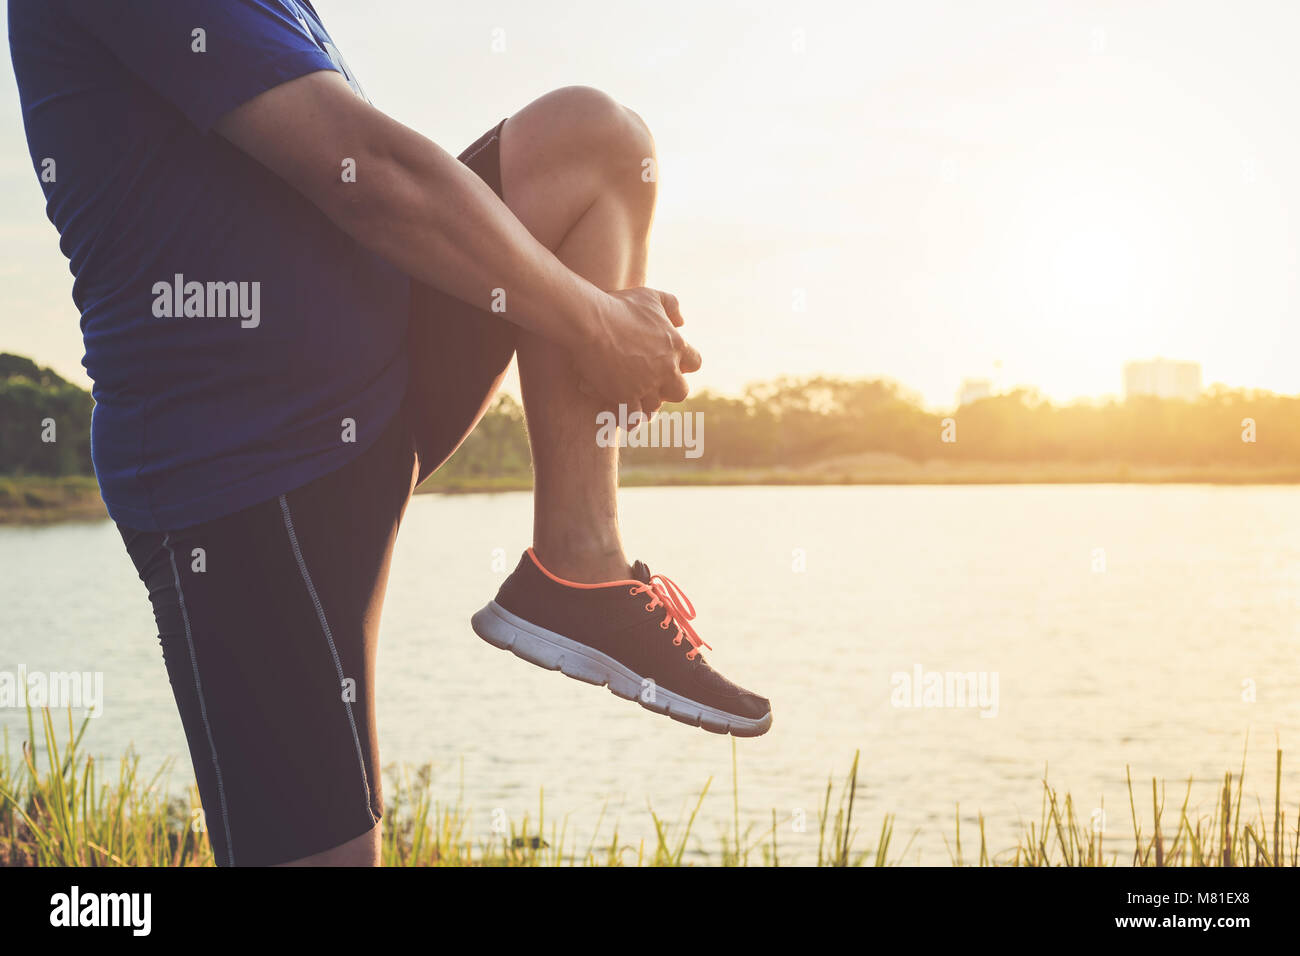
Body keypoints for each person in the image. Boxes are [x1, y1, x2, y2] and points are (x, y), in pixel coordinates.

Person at [9, 0, 771, 867]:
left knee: (595, 143)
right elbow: (367, 172)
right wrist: (600, 325)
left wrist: (594, 318)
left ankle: (578, 563)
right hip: (243, 476)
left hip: (380, 376)